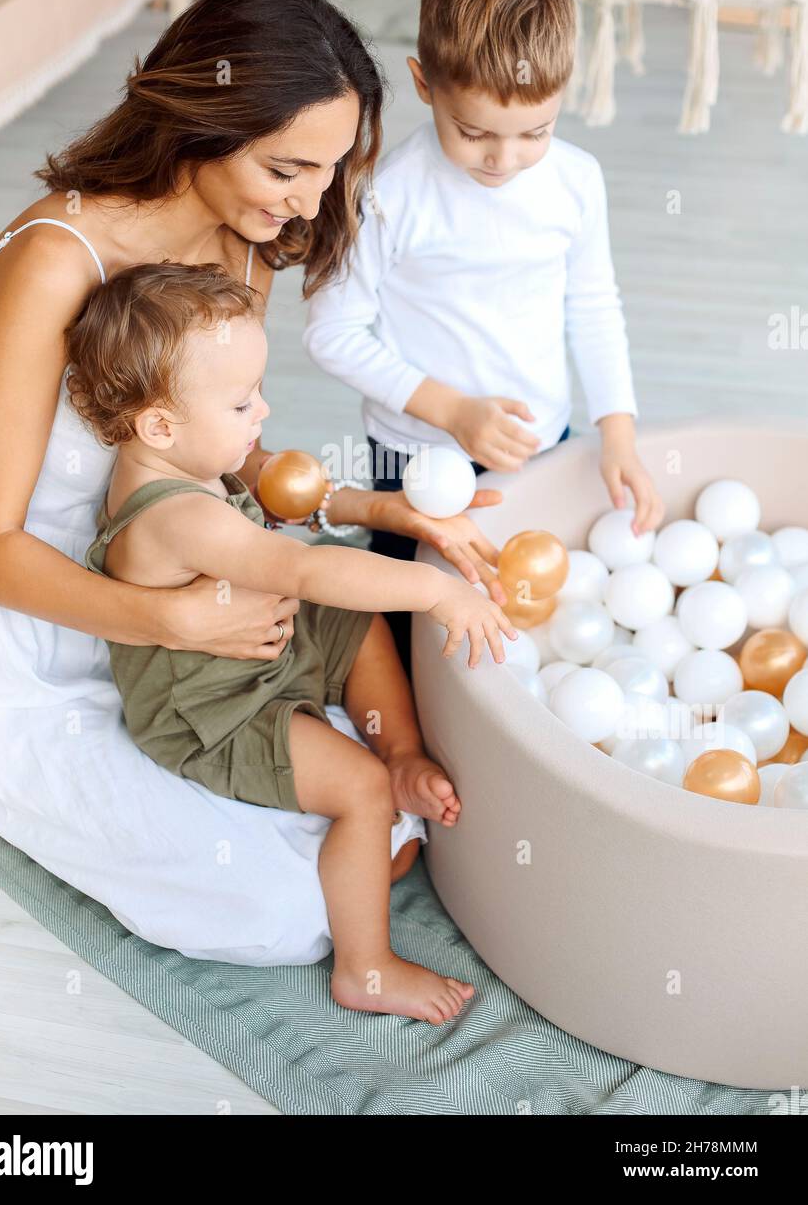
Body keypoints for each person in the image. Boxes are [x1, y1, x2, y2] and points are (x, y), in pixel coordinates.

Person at [0, 0, 509, 967]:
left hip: (183, 567)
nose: (310, 203)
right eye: (287, 167)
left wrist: (365, 505)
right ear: (201, 122)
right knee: (283, 911)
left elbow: (219, 447)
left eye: (330, 171)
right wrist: (174, 619)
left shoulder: (240, 240)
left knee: (379, 803)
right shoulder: (55, 261)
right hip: (42, 618)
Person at [67, 261, 516, 1020]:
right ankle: (364, 967)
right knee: (359, 790)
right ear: (159, 426)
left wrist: (355, 506)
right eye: (242, 402)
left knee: (357, 621)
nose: (263, 410)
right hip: (220, 708)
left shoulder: (180, 460)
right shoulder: (177, 516)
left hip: (261, 641)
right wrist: (438, 589)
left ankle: (400, 750)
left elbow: (297, 543)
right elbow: (300, 570)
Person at [303, 0, 666, 672]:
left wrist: (618, 431)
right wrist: (453, 412)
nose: (504, 160)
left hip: (542, 438)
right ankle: (398, 725)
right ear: (425, 83)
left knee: (524, 600)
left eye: (536, 132)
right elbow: (331, 332)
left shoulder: (575, 183)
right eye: (474, 134)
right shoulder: (387, 192)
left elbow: (594, 304)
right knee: (414, 615)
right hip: (419, 451)